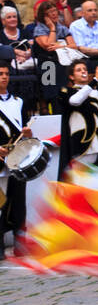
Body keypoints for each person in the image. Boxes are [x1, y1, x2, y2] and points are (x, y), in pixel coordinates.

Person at [58, 61, 98, 178]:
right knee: (81, 184)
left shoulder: (96, 91)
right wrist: (94, 81)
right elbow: (75, 101)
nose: (83, 71)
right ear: (71, 77)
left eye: (85, 69)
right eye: (79, 70)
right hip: (81, 142)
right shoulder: (66, 91)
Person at [0, 65, 31, 258]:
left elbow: (25, 127)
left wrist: (28, 132)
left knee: (19, 200)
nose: (4, 77)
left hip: (17, 155)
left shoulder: (18, 101)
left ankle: (20, 240)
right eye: (0, 74)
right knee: (0, 201)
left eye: (6, 74)